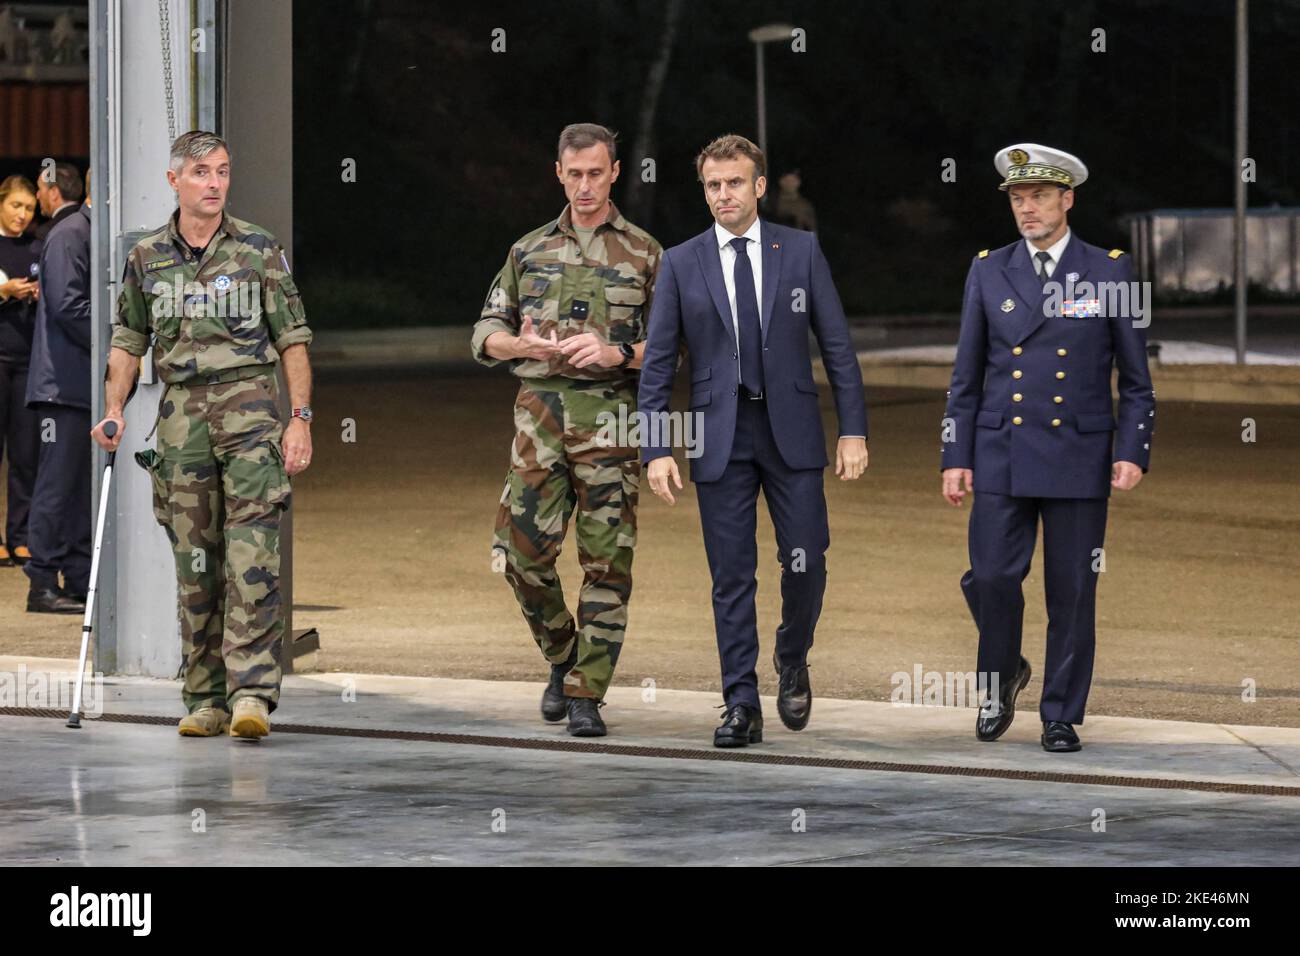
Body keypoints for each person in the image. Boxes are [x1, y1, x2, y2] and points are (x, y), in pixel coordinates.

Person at [638, 134, 868, 748]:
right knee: (731, 576)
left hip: (790, 431)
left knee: (807, 560)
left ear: (759, 186)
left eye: (734, 183)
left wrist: (853, 429)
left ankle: (792, 656)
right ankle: (740, 702)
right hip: (718, 438)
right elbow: (659, 364)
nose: (722, 195)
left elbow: (837, 347)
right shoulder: (682, 262)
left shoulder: (800, 251)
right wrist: (656, 446)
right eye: (713, 185)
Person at [93, 130, 315, 741]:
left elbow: (292, 337)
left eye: (222, 171)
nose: (214, 183)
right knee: (196, 564)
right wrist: (113, 408)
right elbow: (128, 341)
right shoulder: (146, 258)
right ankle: (204, 698)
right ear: (174, 181)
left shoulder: (258, 249)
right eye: (201, 173)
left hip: (251, 415)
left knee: (252, 560)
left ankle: (252, 695)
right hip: (182, 422)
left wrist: (301, 419)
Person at [940, 143, 1155, 753]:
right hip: (1001, 449)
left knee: (1072, 590)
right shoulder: (988, 268)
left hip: (1078, 453)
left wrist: (1133, 447)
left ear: (1068, 199)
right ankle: (1001, 675)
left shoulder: (1110, 269)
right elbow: (967, 374)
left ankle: (1060, 713)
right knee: (991, 578)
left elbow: (1136, 377)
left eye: (1038, 197)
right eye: (1017, 198)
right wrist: (955, 456)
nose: (1026, 208)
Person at [472, 123, 661, 738]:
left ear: (614, 172)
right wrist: (515, 343)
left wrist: (618, 355)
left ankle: (587, 693)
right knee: (521, 557)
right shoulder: (527, 251)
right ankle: (562, 655)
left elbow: (672, 348)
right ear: (559, 173)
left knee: (607, 565)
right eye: (574, 173)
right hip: (539, 421)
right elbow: (483, 333)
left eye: (596, 173)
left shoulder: (645, 253)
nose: (584, 185)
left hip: (611, 420)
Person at [24, 163, 91, 613]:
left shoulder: (77, 230)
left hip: (73, 382)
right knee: (56, 486)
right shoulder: (71, 234)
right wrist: (112, 341)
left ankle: (79, 579)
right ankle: (43, 582)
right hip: (61, 385)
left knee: (77, 487)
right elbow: (68, 304)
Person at [0, 175, 42, 570]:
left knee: (26, 455)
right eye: (15, 206)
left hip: (26, 362)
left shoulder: (37, 247)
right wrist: (4, 292)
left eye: (28, 208)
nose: (22, 215)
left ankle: (22, 536)